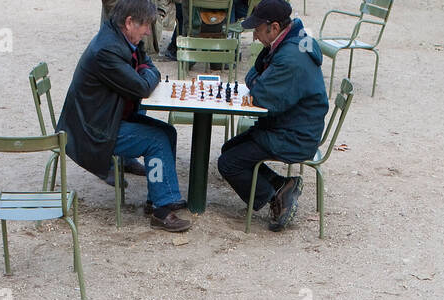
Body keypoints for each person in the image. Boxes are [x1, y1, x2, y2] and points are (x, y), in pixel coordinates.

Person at [61, 0, 193, 232]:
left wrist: (145, 72)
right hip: (93, 129)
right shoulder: (107, 50)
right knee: (156, 139)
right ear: (129, 22)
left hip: (107, 117)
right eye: (145, 26)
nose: (147, 32)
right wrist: (146, 73)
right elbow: (142, 87)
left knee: (166, 132)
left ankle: (160, 196)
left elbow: (148, 68)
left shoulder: (124, 39)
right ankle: (161, 211)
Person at [216, 0, 327, 231]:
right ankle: (283, 185)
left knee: (229, 163)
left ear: (274, 27)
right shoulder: (287, 42)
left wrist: (257, 82)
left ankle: (275, 196)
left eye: (257, 30)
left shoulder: (290, 58)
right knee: (229, 149)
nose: (255, 37)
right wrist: (258, 80)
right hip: (289, 125)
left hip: (294, 135)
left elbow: (261, 97)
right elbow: (253, 77)